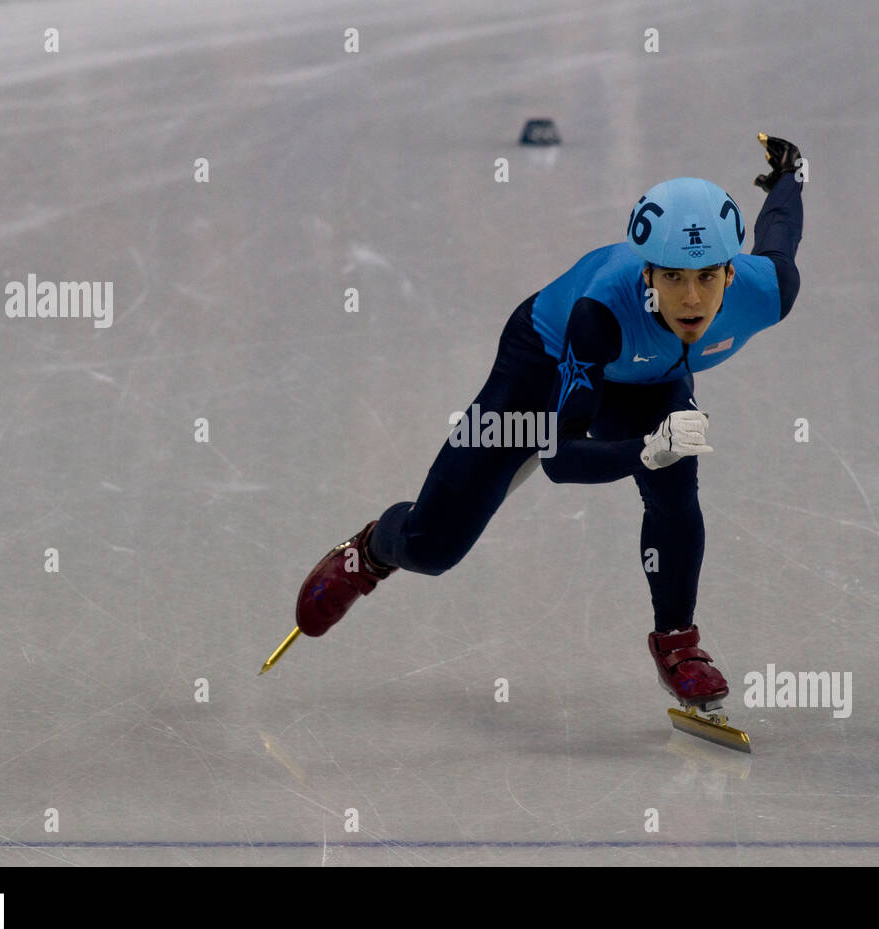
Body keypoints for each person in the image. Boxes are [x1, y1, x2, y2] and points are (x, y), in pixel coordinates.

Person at [293, 134, 805, 714]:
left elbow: (781, 235)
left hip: (647, 380)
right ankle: (376, 549)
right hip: (540, 370)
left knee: (676, 481)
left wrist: (789, 174)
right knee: (433, 549)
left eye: (707, 277)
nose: (691, 299)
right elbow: (559, 458)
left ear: (732, 275)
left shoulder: (768, 292)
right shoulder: (599, 312)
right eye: (672, 278)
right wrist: (647, 447)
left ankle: (679, 644)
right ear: (647, 276)